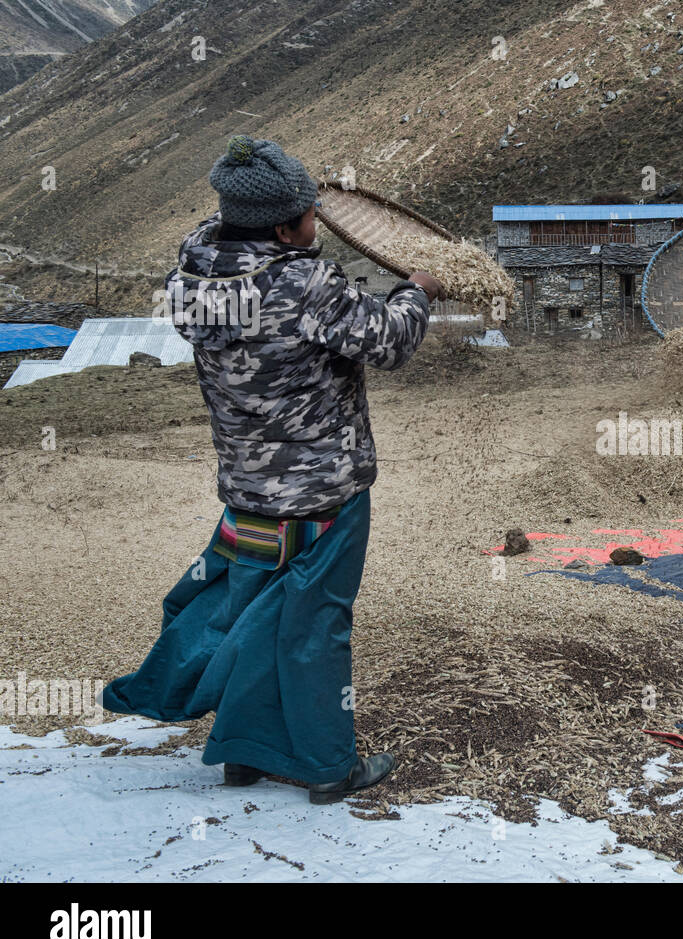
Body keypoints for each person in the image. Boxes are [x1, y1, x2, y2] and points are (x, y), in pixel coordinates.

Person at [102, 135, 446, 803]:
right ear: (285, 227)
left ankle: (244, 753)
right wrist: (417, 290)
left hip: (249, 490)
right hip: (325, 492)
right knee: (316, 622)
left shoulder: (191, 280)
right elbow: (389, 341)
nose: (319, 225)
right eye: (310, 216)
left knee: (253, 610)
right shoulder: (302, 282)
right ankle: (325, 765)